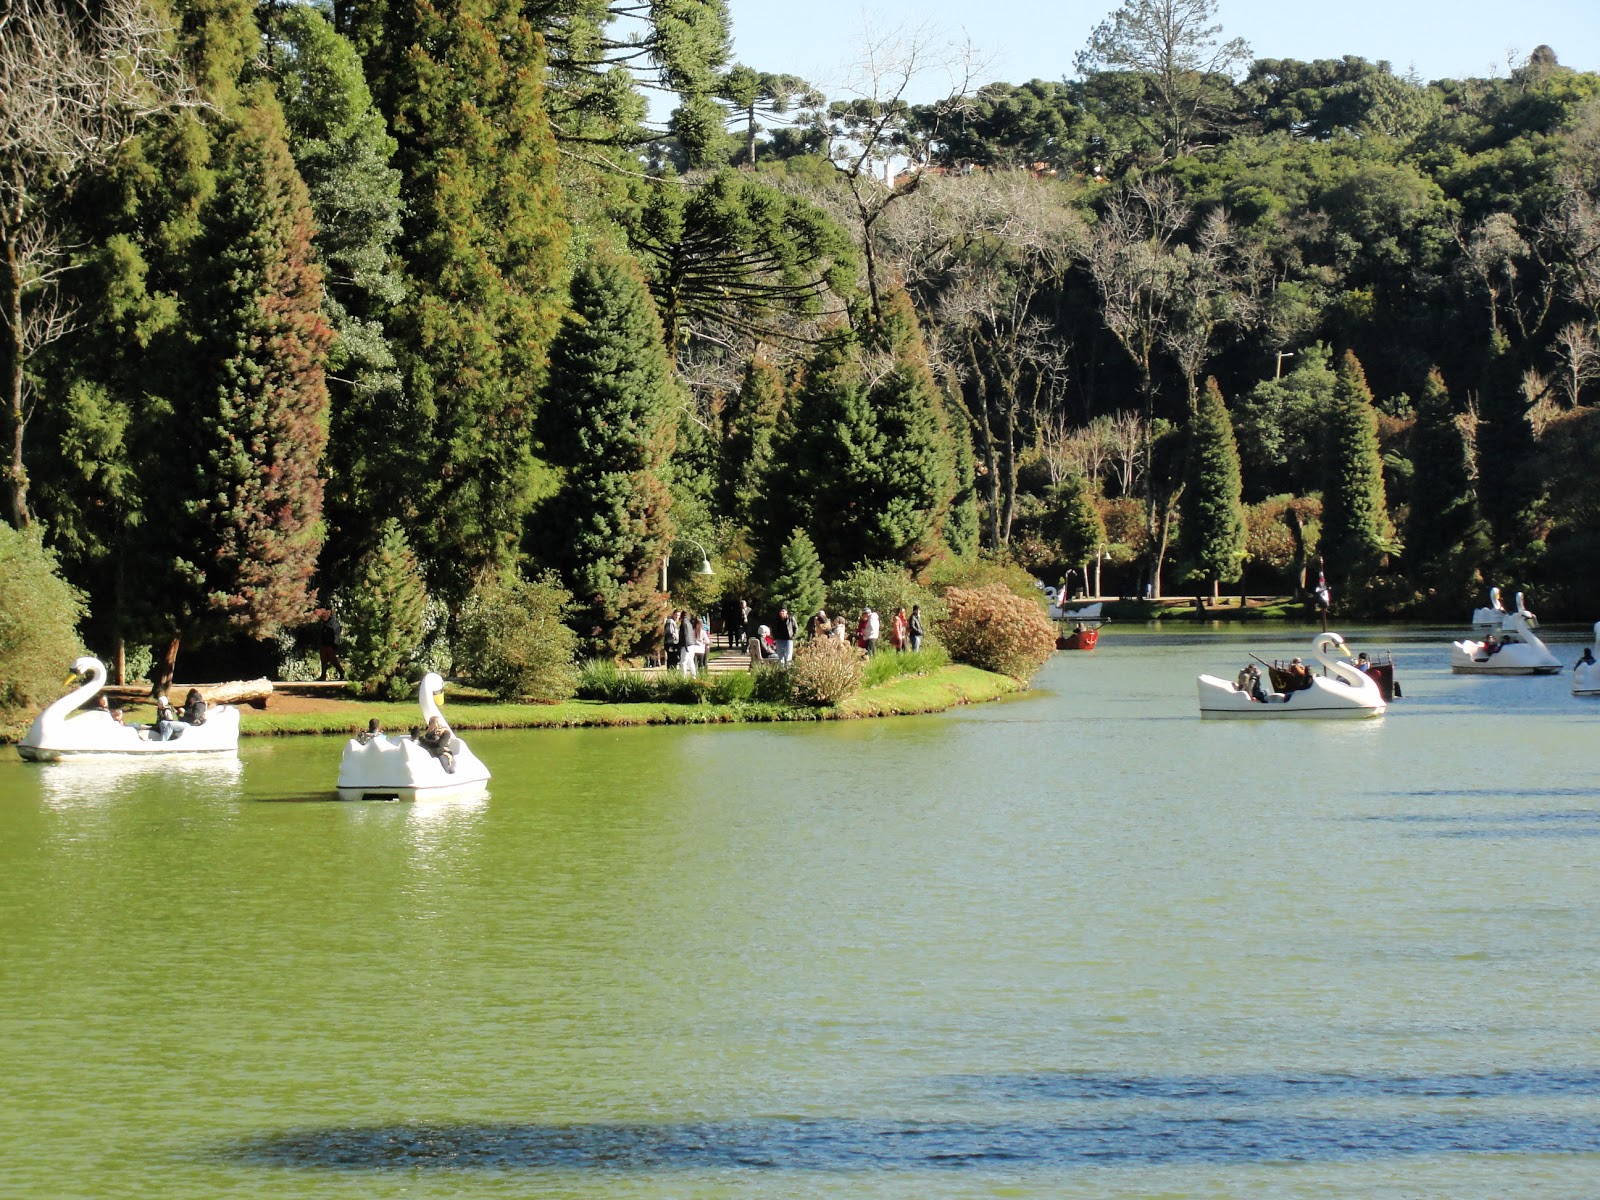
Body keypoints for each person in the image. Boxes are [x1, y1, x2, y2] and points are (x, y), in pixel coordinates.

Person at [318, 610, 344, 681]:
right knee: (323, 661)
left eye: (325, 614)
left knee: (333, 661)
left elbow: (336, 635)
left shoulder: (334, 624)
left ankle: (342, 673)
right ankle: (323, 676)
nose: (323, 616)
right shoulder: (323, 623)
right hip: (323, 645)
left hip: (331, 645)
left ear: (329, 613)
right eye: (322, 615)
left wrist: (334, 646)